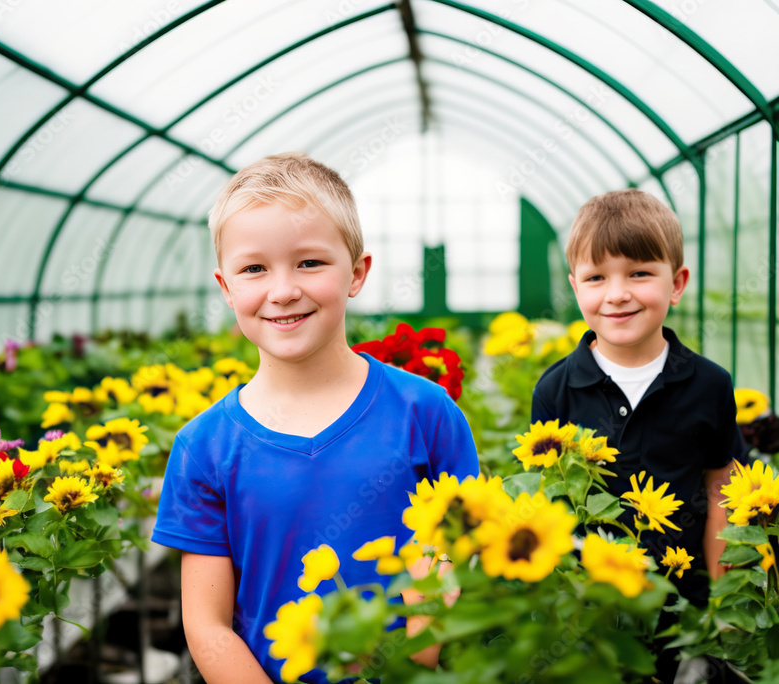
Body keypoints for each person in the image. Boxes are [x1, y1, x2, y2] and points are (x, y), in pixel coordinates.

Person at [151, 152, 479, 683]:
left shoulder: (426, 413)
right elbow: (207, 625)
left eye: (309, 262)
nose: (283, 290)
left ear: (357, 272)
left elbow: (445, 569)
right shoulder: (203, 446)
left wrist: (401, 674)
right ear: (226, 287)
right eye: (254, 268)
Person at [531, 188, 745, 683]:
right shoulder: (556, 390)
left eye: (640, 273)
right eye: (596, 277)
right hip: (592, 610)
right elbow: (549, 502)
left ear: (677, 283)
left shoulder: (710, 384)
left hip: (684, 606)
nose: (617, 293)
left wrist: (722, 598)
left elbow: (721, 489)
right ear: (575, 287)